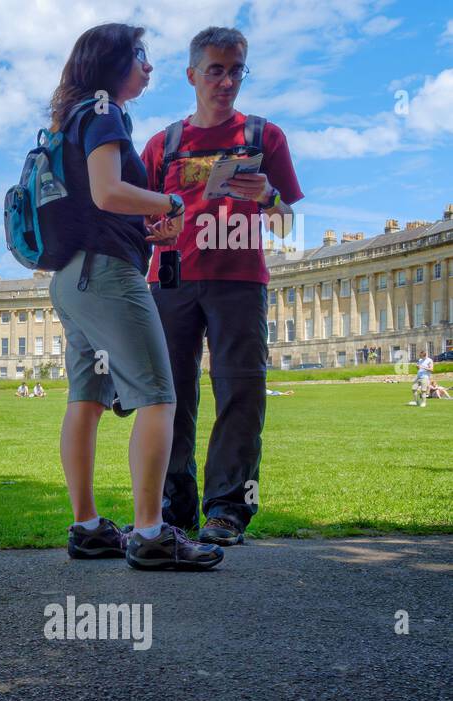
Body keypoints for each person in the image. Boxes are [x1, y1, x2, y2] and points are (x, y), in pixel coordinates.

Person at [44, 23, 222, 571]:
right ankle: (150, 534)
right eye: (141, 56)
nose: (149, 66)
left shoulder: (70, 118)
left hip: (71, 278)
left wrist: (148, 216)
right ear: (112, 61)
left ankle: (89, 527)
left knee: (87, 401)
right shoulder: (104, 113)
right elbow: (107, 191)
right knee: (158, 396)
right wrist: (169, 203)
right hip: (107, 276)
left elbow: (94, 202)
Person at [141, 26, 304, 548]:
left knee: (241, 393)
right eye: (216, 69)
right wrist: (154, 227)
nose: (228, 80)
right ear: (192, 75)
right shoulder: (162, 145)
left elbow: (284, 224)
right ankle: (172, 507)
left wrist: (270, 195)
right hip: (170, 280)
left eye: (237, 70)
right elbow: (136, 219)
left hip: (238, 280)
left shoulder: (265, 137)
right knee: (170, 397)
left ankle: (228, 510)